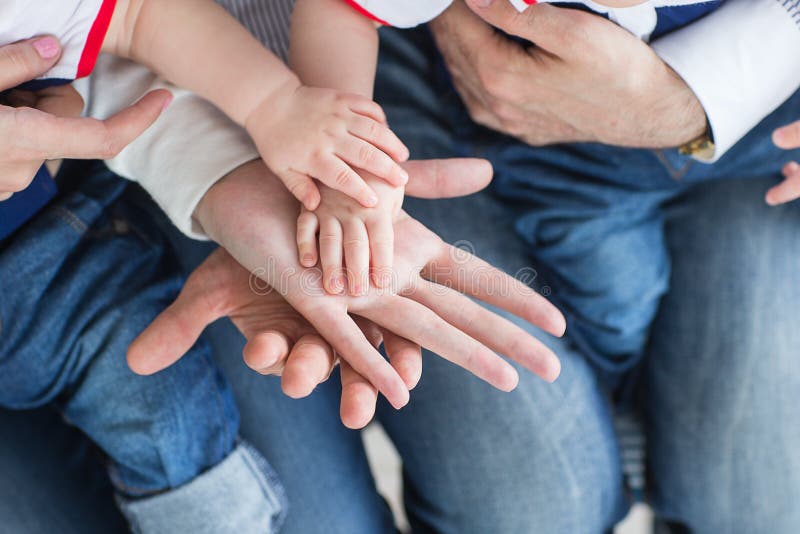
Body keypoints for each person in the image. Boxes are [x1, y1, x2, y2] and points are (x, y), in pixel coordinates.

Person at [77, 0, 800, 532]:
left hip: (763, 141)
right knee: (538, 498)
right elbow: (102, 26)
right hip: (408, 83)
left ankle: (626, 400)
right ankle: (621, 394)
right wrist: (283, 158)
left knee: (754, 501)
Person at [288, 0, 723, 309]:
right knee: (616, 297)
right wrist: (349, 156)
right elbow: (341, 7)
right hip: (548, 147)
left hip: (744, 135)